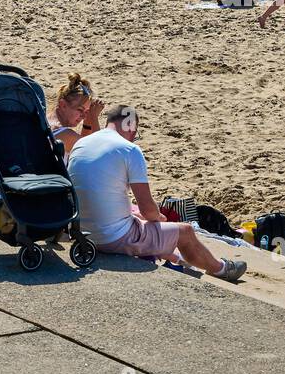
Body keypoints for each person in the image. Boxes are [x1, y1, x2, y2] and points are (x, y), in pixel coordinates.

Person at [67, 105, 246, 282]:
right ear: (131, 126)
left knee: (140, 220)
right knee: (185, 231)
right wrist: (159, 218)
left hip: (81, 232)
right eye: (135, 134)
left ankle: (179, 257)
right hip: (110, 238)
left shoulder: (82, 143)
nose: (134, 138)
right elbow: (148, 210)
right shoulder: (129, 150)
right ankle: (221, 269)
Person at [48, 72, 105, 157]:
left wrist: (88, 121)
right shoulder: (65, 134)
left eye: (87, 111)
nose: (84, 116)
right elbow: (99, 153)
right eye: (80, 109)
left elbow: (84, 141)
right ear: (63, 105)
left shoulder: (46, 119)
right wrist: (93, 118)